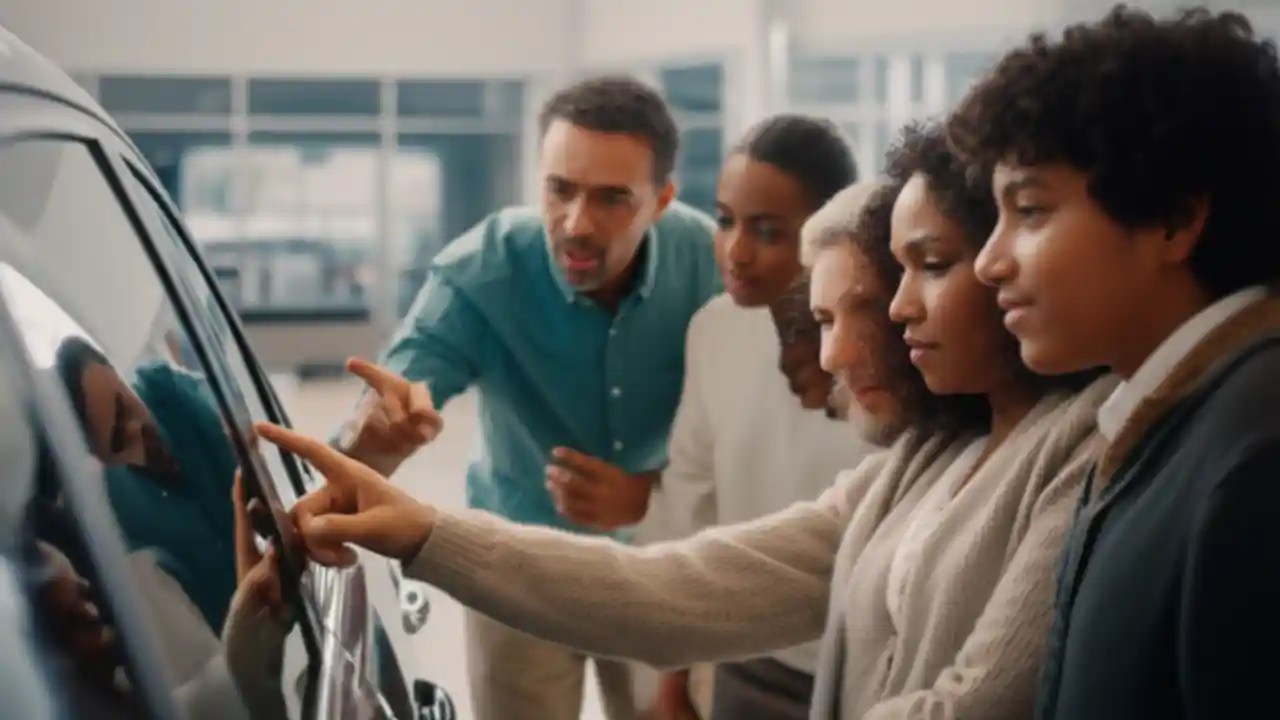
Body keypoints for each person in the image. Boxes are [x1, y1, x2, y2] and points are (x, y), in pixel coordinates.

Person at [260, 123, 1115, 720]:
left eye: (927, 270)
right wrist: (426, 532)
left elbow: (974, 703)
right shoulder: (922, 459)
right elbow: (673, 585)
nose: (874, 333)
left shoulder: (1074, 451)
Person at [333, 75, 723, 720]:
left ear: (661, 202)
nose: (576, 224)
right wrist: (374, 435)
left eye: (611, 200)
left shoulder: (708, 264)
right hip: (516, 557)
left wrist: (651, 493)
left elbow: (750, 430)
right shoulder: (483, 269)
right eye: (559, 189)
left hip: (664, 556)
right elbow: (396, 390)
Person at [946, 6, 1280, 719]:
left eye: (1030, 211)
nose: (987, 262)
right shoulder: (1164, 420)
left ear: (1173, 219)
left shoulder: (1254, 452)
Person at [546, 114, 872, 720]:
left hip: (870, 671)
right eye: (725, 221)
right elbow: (687, 510)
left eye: (769, 232)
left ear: (830, 233)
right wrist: (670, 682)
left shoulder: (890, 354)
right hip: (746, 660)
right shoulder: (715, 329)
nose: (736, 251)